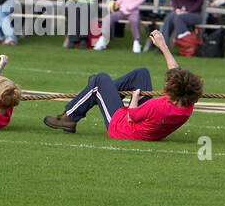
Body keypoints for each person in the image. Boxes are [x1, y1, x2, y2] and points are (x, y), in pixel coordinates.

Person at [43, 29, 203, 140]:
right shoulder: (188, 104)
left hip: (121, 126)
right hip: (146, 122)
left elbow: (131, 116)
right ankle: (100, 94)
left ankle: (69, 117)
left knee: (100, 79)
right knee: (141, 73)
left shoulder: (157, 105)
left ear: (173, 90)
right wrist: (163, 46)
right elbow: (175, 71)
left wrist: (134, 98)